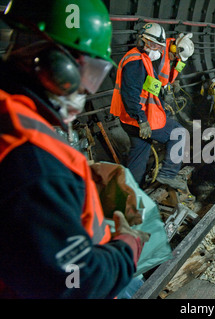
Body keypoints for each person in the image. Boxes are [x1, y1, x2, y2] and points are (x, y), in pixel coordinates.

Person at [0, 0, 150, 298]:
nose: (87, 90)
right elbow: (75, 281)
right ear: (60, 68)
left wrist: (76, 180)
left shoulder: (12, 115)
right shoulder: (33, 161)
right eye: (89, 73)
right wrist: (126, 247)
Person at [110, 22, 188, 190]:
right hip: (140, 119)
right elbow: (130, 94)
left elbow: (148, 88)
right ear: (143, 41)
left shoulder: (141, 58)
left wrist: (160, 104)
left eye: (160, 47)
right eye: (154, 46)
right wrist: (142, 120)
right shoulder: (135, 62)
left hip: (130, 120)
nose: (158, 51)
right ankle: (167, 174)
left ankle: (131, 194)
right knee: (179, 133)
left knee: (139, 155)